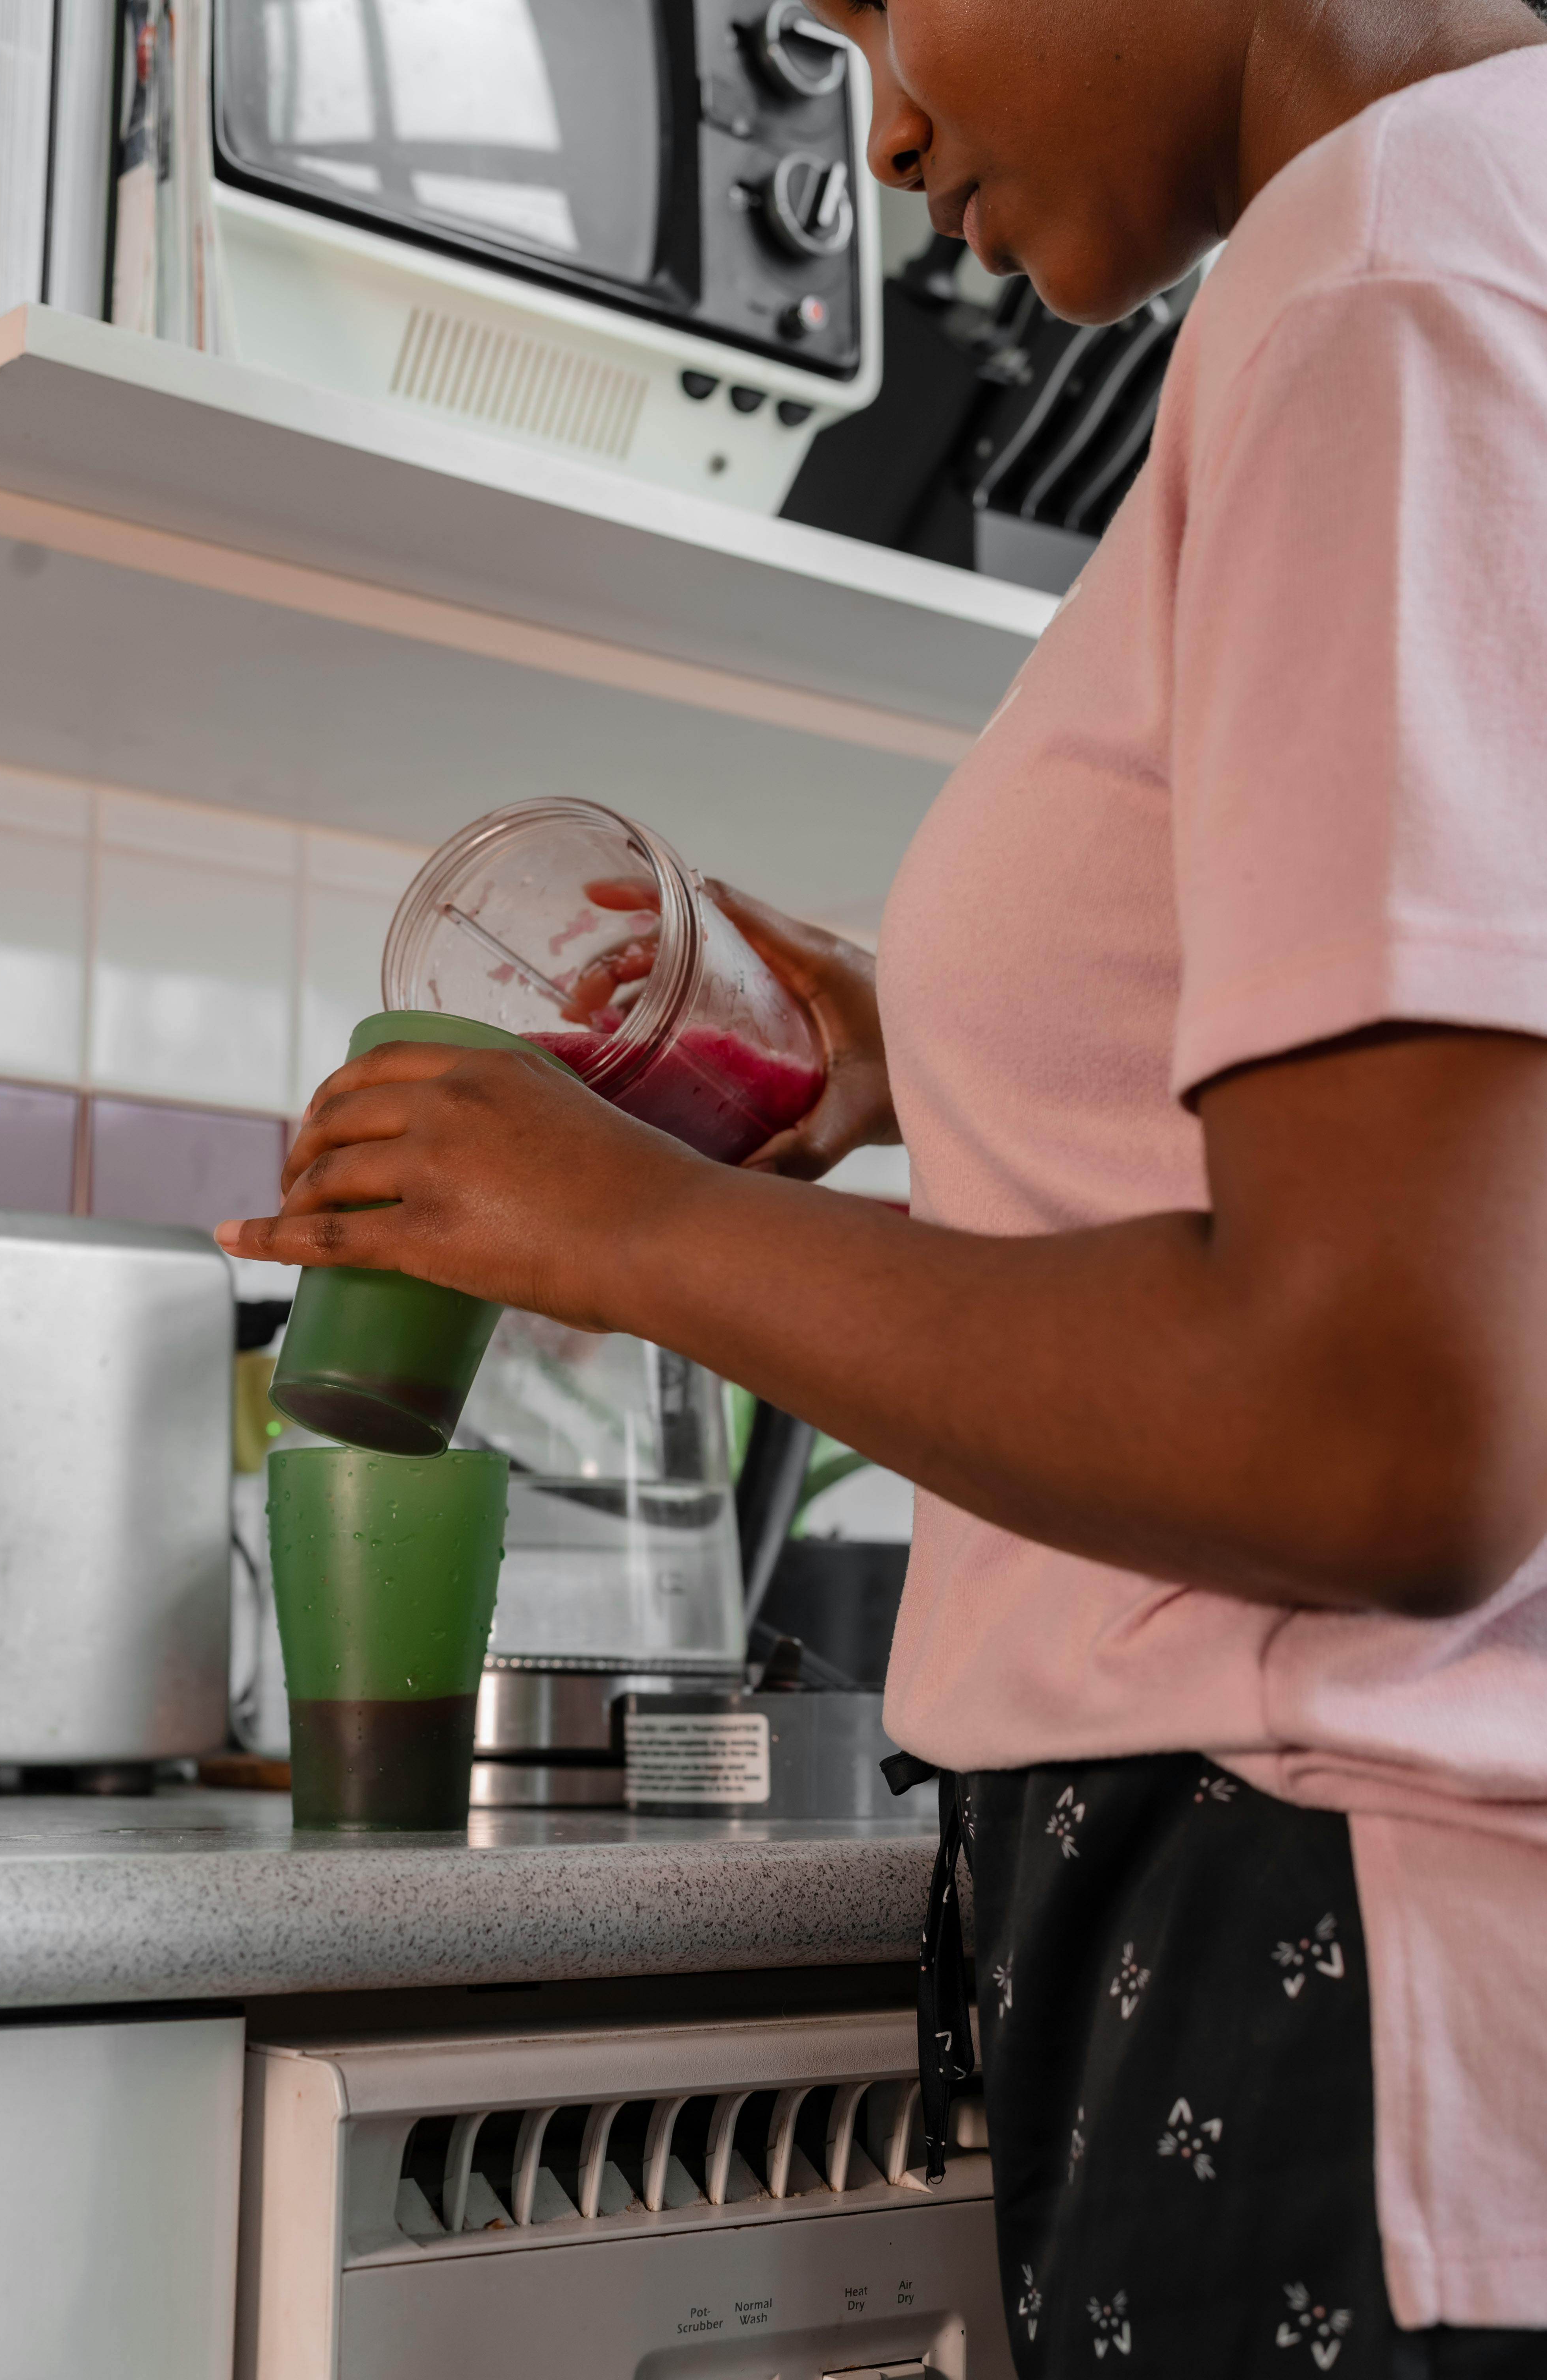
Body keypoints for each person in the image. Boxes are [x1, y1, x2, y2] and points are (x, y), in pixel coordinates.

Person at [218, 0, 1547, 2367]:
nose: (889, 116)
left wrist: (632, 1232)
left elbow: (1377, 1430)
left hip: (1339, 1959)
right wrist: (930, 1050)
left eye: (874, 5)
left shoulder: (1382, 268)